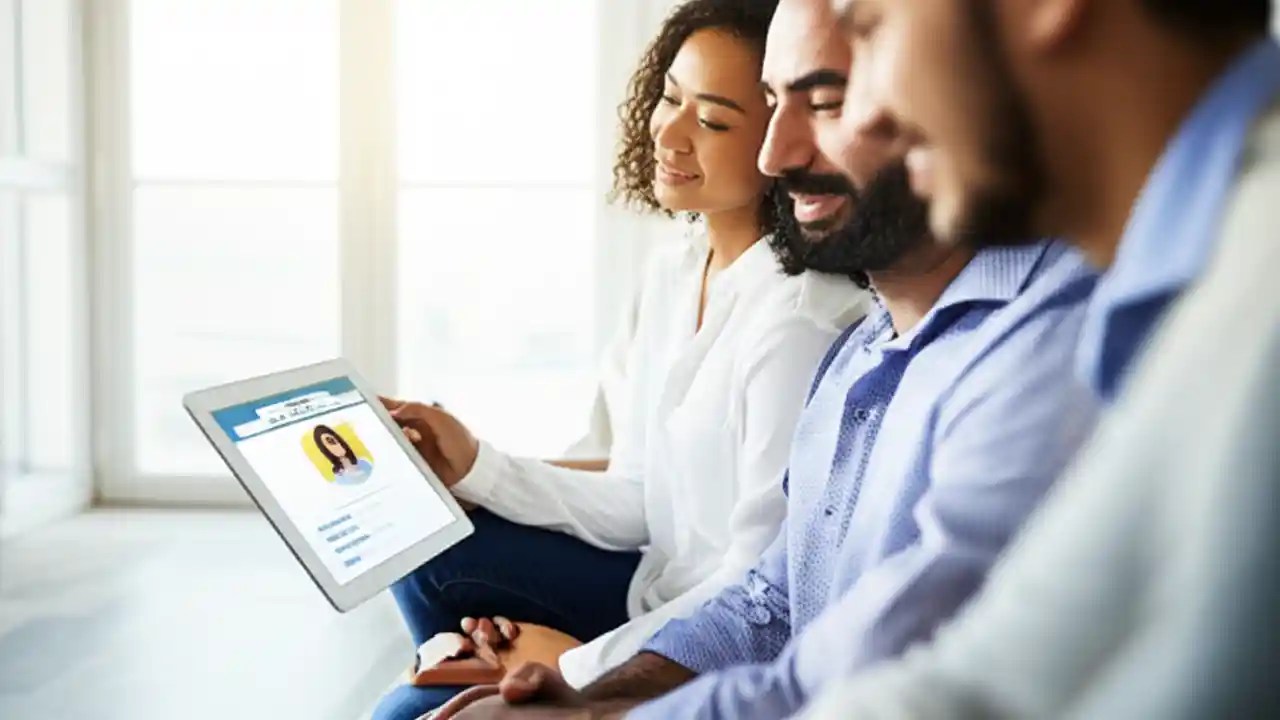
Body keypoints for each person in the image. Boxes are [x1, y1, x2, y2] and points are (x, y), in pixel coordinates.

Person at [432, 0, 1100, 717]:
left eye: (828, 102)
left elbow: (883, 679)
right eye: (778, 101)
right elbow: (770, 605)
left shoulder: (1044, 348)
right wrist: (584, 697)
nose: (774, 156)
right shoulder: (857, 352)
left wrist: (591, 691)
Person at [370, 1, 871, 717]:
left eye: (714, 120)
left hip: (711, 638)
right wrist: (477, 464)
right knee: (429, 545)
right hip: (651, 588)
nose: (668, 132)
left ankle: (489, 692)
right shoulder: (674, 271)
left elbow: (762, 593)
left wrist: (573, 667)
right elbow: (635, 494)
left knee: (402, 712)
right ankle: (474, 674)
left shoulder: (796, 326)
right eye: (670, 98)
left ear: (781, 145)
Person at [793, 0, 1280, 717]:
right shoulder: (1200, 277)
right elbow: (989, 681)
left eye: (874, 27)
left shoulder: (1257, 284)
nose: (867, 118)